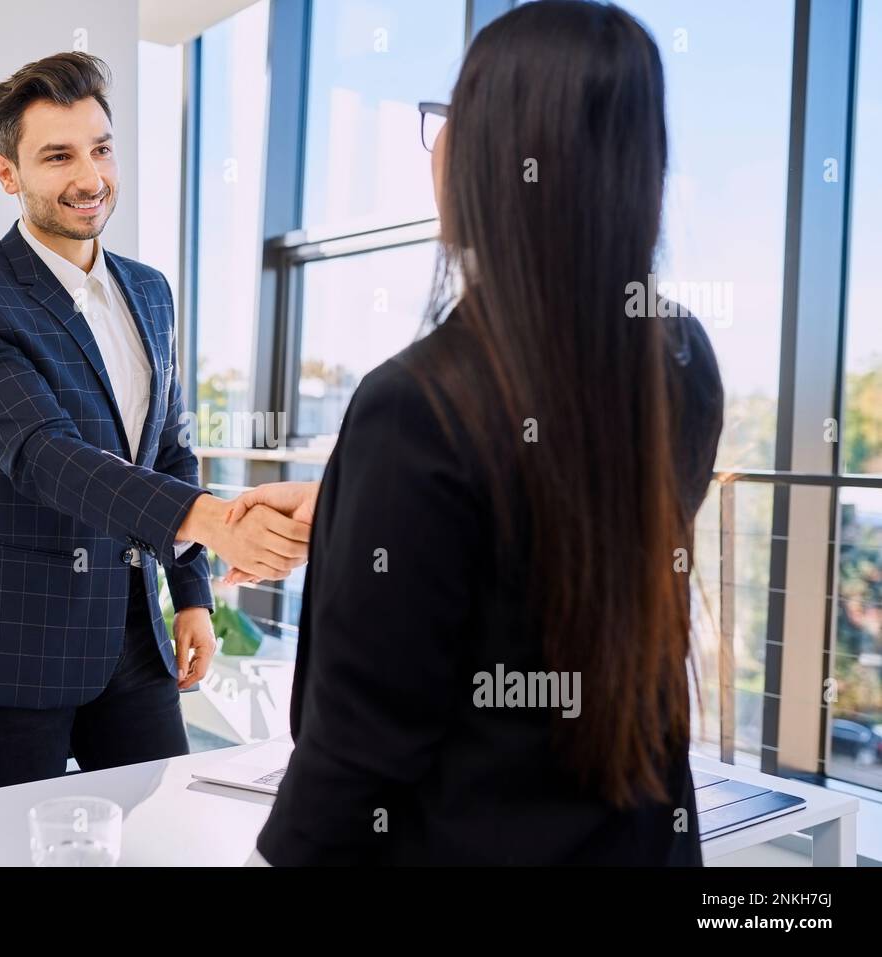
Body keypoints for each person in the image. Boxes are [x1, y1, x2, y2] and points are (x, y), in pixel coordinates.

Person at [238, 0, 725, 864]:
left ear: (496, 156)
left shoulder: (415, 404)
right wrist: (358, 510)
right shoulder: (683, 356)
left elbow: (354, 762)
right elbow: (566, 513)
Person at [0, 52, 310, 790]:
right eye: (58, 156)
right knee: (12, 849)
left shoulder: (151, 292)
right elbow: (44, 454)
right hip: (17, 641)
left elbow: (168, 448)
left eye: (100, 148)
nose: (90, 178)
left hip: (134, 636)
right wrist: (214, 521)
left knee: (161, 834)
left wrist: (190, 593)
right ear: (9, 174)